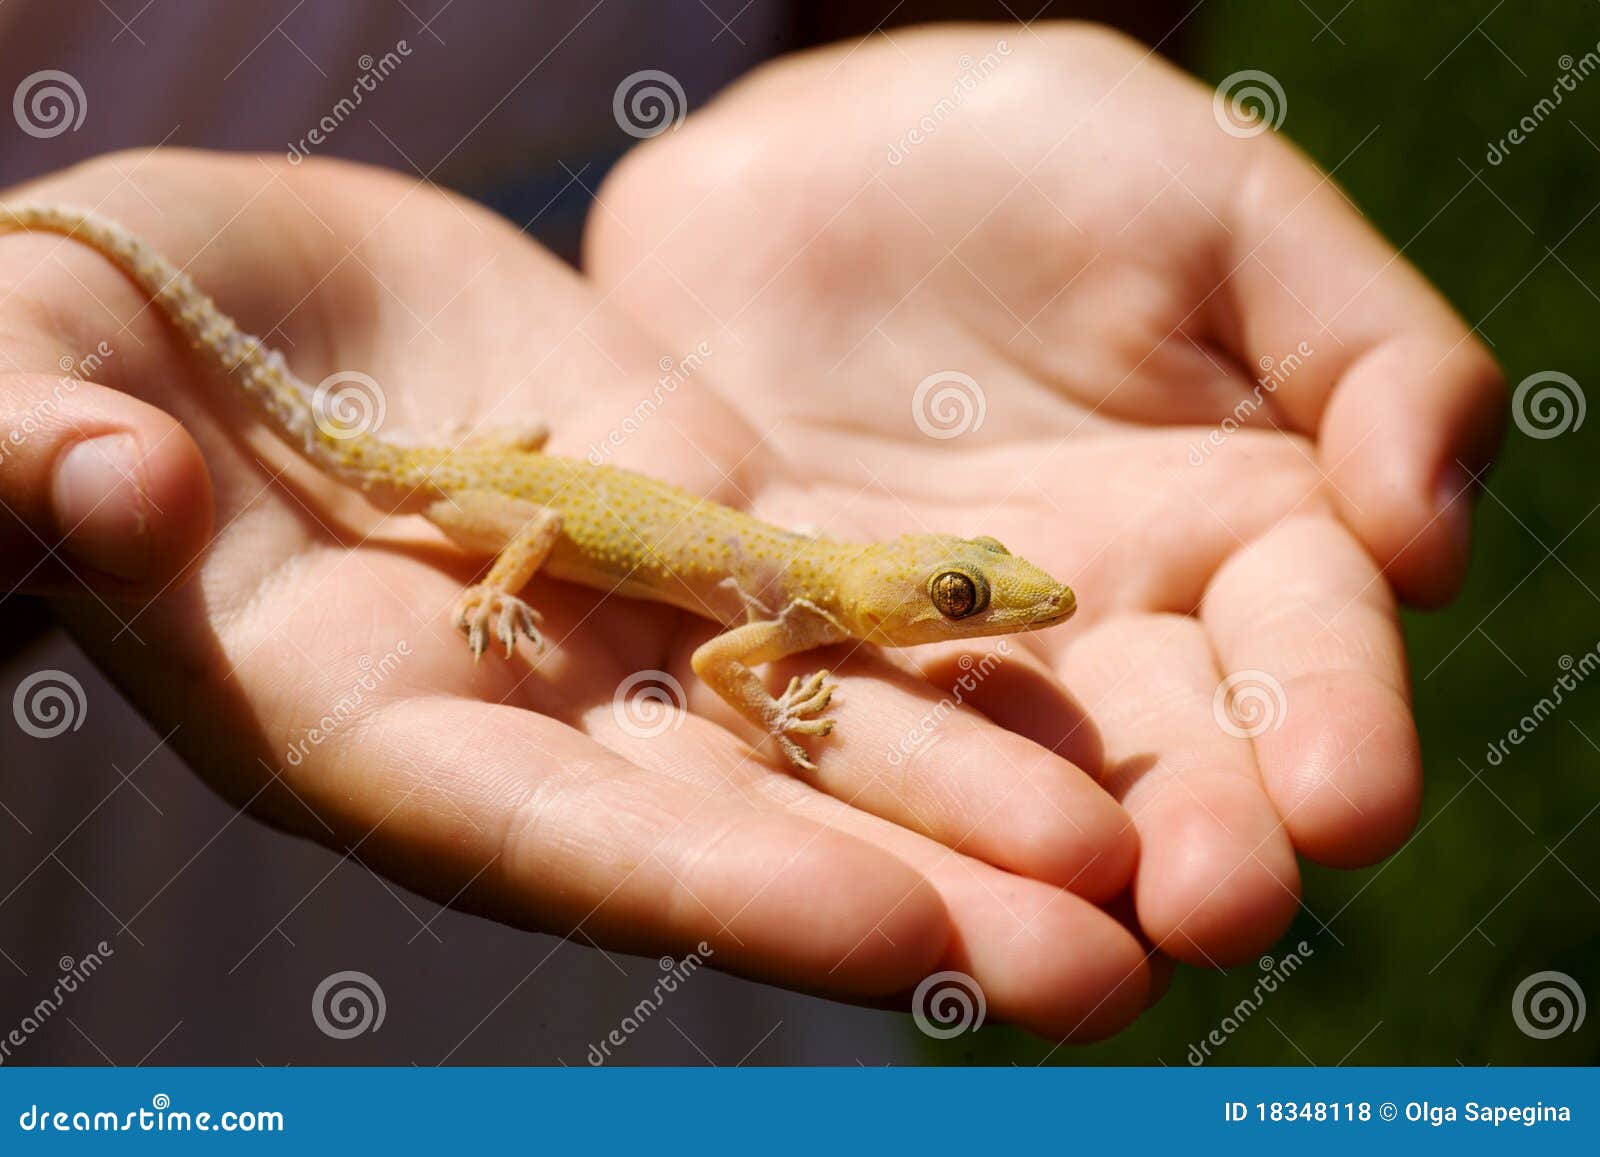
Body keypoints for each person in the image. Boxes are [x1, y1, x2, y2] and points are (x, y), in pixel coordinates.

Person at [0, 23, 1502, 1043]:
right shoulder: (794, 612)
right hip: (399, 576)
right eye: (970, 595)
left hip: (507, 486)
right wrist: (759, 698)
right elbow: (723, 664)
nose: (1000, 608)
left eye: (969, 593)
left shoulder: (837, 594)